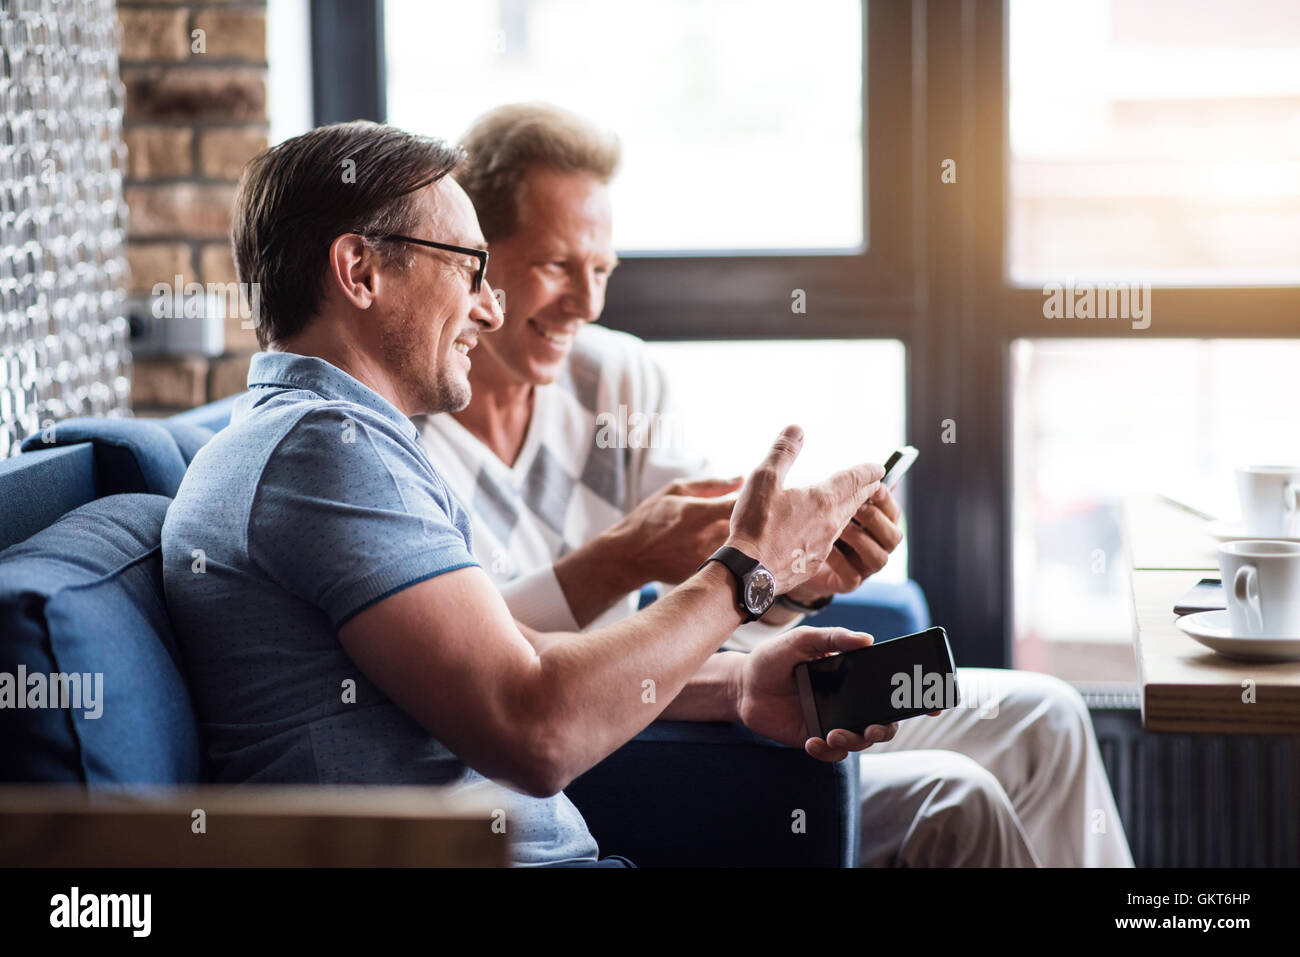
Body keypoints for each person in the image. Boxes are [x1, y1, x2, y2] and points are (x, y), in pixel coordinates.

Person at [160, 120, 899, 868]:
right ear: (359, 271)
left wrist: (738, 681)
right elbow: (537, 729)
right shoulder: (326, 453)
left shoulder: (338, 440)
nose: (489, 307)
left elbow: (511, 653)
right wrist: (744, 572)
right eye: (468, 268)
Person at [415, 103, 1135, 867]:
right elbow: (483, 671)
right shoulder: (409, 436)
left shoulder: (618, 374)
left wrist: (794, 583)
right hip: (616, 745)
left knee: (1047, 713)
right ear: (474, 258)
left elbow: (718, 599)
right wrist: (626, 560)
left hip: (698, 684)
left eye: (601, 270)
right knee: (956, 794)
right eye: (558, 266)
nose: (587, 304)